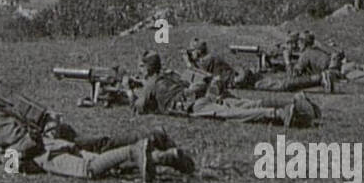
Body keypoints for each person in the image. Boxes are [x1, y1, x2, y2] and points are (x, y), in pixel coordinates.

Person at [0, 79, 194, 181]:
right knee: (104, 162)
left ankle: (136, 150)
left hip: (41, 153)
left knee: (89, 170)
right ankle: (164, 157)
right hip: (51, 142)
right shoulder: (6, 108)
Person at [131, 51, 320, 127]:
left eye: (140, 66)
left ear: (147, 68)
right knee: (247, 103)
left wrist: (128, 91)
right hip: (203, 95)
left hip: (193, 105)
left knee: (235, 114)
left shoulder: (150, 84)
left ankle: (279, 114)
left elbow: (139, 108)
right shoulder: (169, 74)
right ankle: (294, 101)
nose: (139, 69)